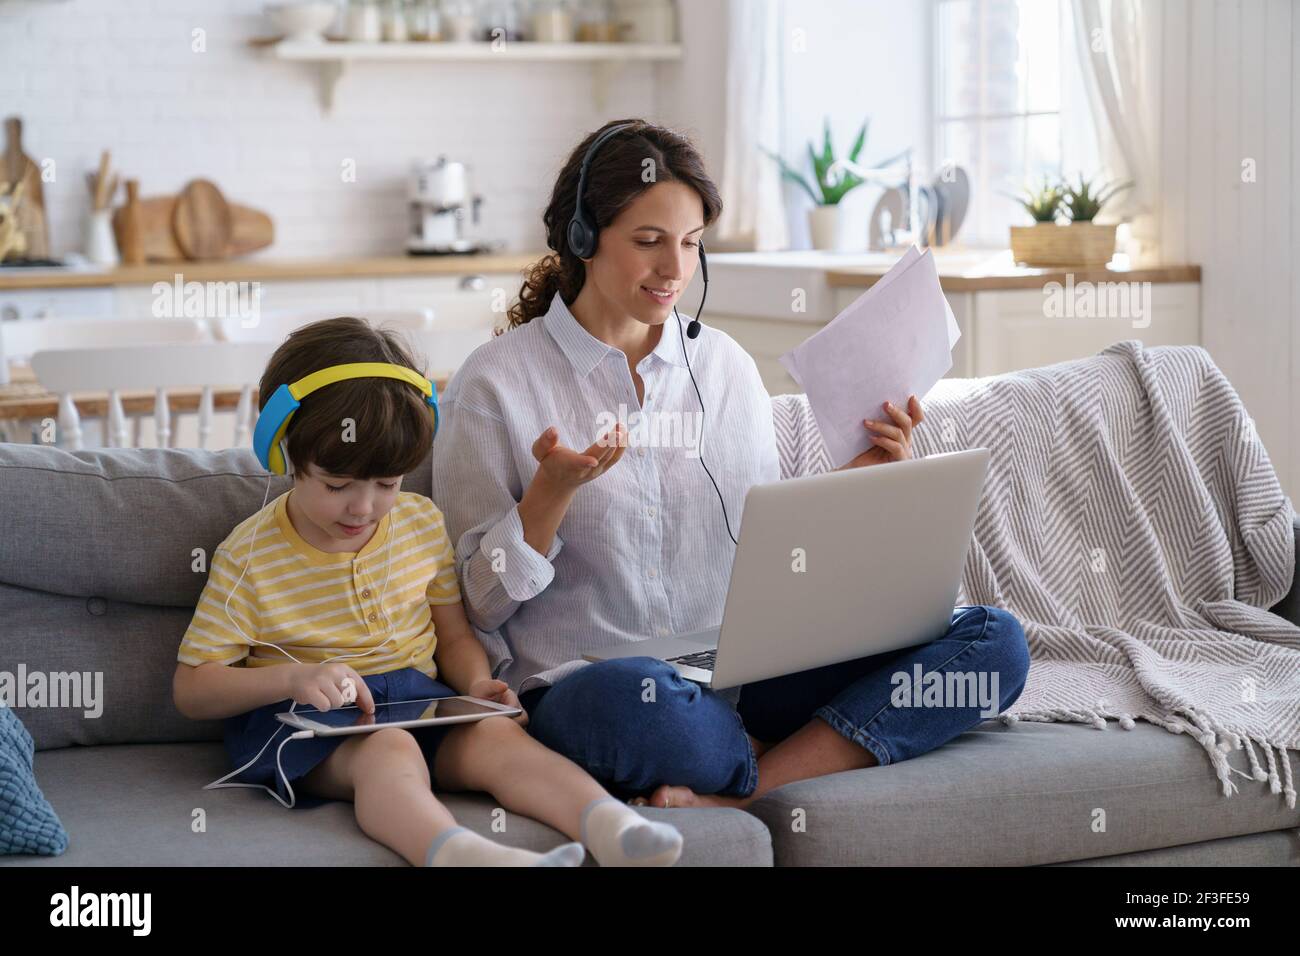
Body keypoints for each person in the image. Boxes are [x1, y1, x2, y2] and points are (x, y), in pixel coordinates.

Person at [430, 118, 1031, 810]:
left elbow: (765, 554)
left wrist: (859, 485)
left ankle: (750, 786)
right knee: (626, 704)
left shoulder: (724, 367)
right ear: (582, 237)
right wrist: (548, 497)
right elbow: (477, 605)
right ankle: (803, 749)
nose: (674, 269)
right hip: (600, 689)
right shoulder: (495, 383)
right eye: (649, 242)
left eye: (691, 243)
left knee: (993, 644)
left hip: (744, 676)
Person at [173, 316, 683, 866]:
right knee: (389, 749)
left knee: (498, 739)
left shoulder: (419, 523)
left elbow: (454, 635)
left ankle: (615, 828)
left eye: (387, 484)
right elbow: (193, 689)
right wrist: (295, 678)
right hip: (306, 728)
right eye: (338, 485)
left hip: (418, 702)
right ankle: (464, 857)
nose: (363, 508)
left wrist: (477, 684)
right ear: (285, 453)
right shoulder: (249, 555)